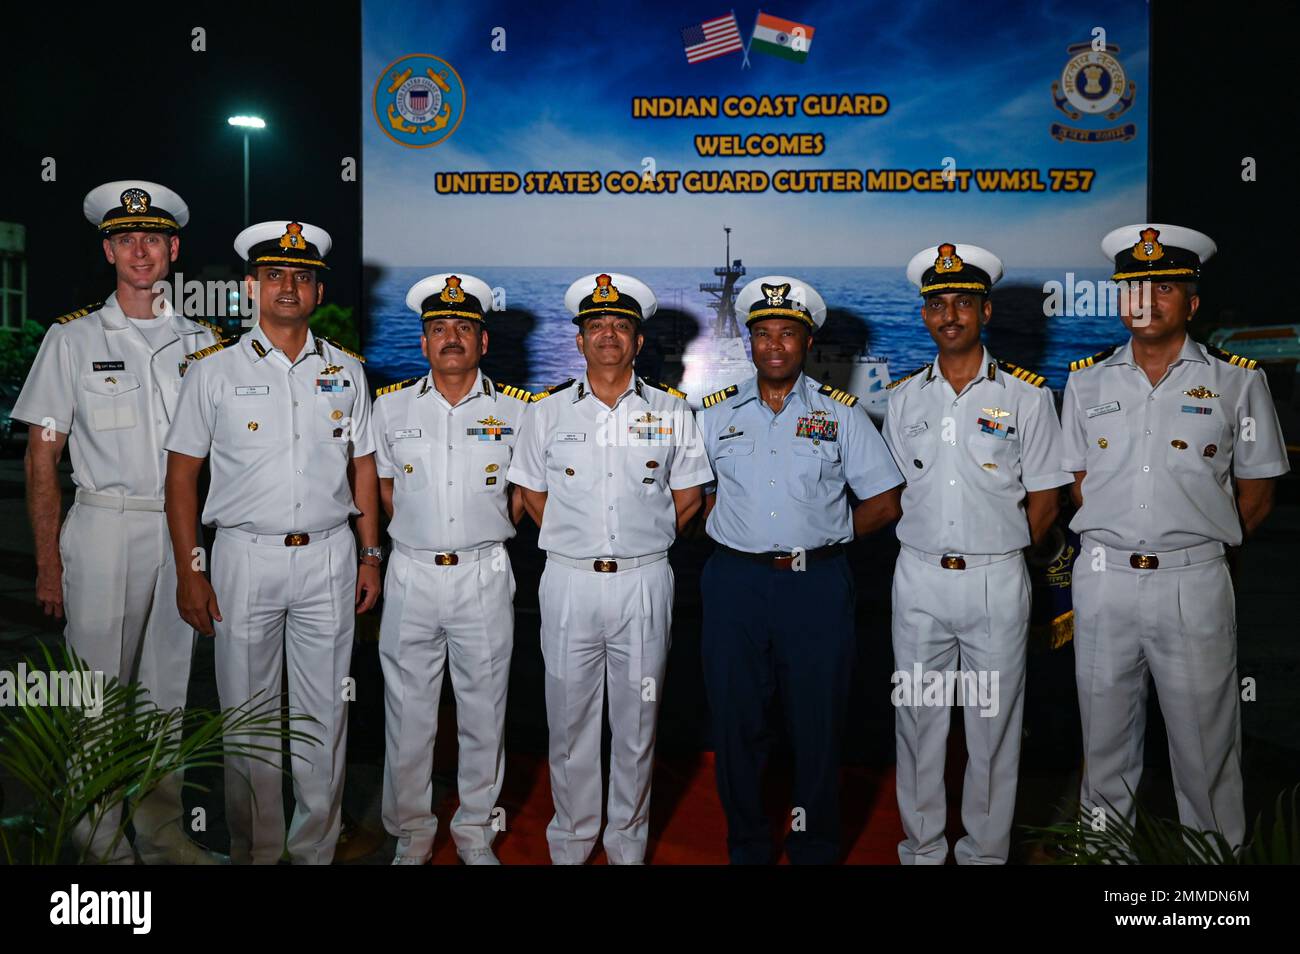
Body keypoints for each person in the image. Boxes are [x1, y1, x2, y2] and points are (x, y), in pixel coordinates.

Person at [1061, 223, 1289, 849]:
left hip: (1194, 581)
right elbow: (1079, 482)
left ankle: (1211, 886)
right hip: (1104, 577)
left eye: (1164, 287)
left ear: (1191, 302)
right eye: (1134, 287)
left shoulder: (1238, 382)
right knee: (1103, 745)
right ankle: (1105, 867)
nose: (1147, 300)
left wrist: (1197, 542)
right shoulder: (1085, 382)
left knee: (1205, 751)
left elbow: (1258, 492)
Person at [13, 180, 220, 864]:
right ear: (108, 250)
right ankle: (98, 838)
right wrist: (48, 561)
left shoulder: (204, 340)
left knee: (166, 692)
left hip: (179, 531)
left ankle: (162, 834)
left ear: (174, 249)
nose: (140, 249)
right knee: (100, 694)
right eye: (126, 238)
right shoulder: (72, 338)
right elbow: (43, 458)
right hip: (104, 527)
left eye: (153, 238)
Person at [163, 220, 382, 864]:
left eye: (303, 277)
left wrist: (371, 553)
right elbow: (181, 473)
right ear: (252, 286)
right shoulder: (212, 370)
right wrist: (189, 569)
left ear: (317, 290)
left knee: (325, 714)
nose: (289, 287)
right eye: (276, 276)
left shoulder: (347, 369)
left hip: (330, 555)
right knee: (249, 716)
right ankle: (255, 852)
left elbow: (362, 466)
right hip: (243, 556)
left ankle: (313, 849)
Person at [697, 275, 904, 864]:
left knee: (817, 722)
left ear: (807, 342)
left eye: (787, 333)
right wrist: (740, 535)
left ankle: (814, 846)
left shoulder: (843, 415)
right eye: (762, 334)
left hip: (815, 584)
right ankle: (749, 846)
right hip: (734, 582)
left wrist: (826, 535)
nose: (774, 345)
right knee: (737, 725)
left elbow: (885, 500)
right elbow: (694, 493)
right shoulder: (713, 415)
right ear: (749, 345)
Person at [507, 272, 712, 864]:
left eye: (620, 325)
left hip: (646, 581)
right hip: (568, 580)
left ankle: (627, 845)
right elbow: (529, 494)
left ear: (638, 342)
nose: (607, 335)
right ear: (579, 341)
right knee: (568, 721)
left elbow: (689, 497)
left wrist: (641, 545)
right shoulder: (546, 413)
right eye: (595, 325)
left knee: (638, 721)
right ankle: (571, 842)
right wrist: (574, 540)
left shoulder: (671, 411)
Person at [883, 243, 1071, 864]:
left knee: (992, 728)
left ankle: (985, 855)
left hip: (995, 578)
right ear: (925, 315)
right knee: (918, 722)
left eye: (963, 302)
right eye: (937, 303)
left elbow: (1046, 497)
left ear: (985, 312)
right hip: (918, 578)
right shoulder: (905, 398)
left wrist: (1012, 552)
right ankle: (922, 849)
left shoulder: (1028, 396)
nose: (950, 314)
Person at [372, 273, 530, 865]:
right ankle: (411, 833)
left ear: (483, 341)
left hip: (484, 572)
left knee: (484, 711)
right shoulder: (388, 408)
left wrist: (477, 535)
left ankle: (474, 834)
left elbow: (521, 493)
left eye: (465, 327)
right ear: (423, 342)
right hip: (411, 571)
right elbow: (384, 487)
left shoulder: (519, 411)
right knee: (408, 712)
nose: (452, 337)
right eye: (439, 328)